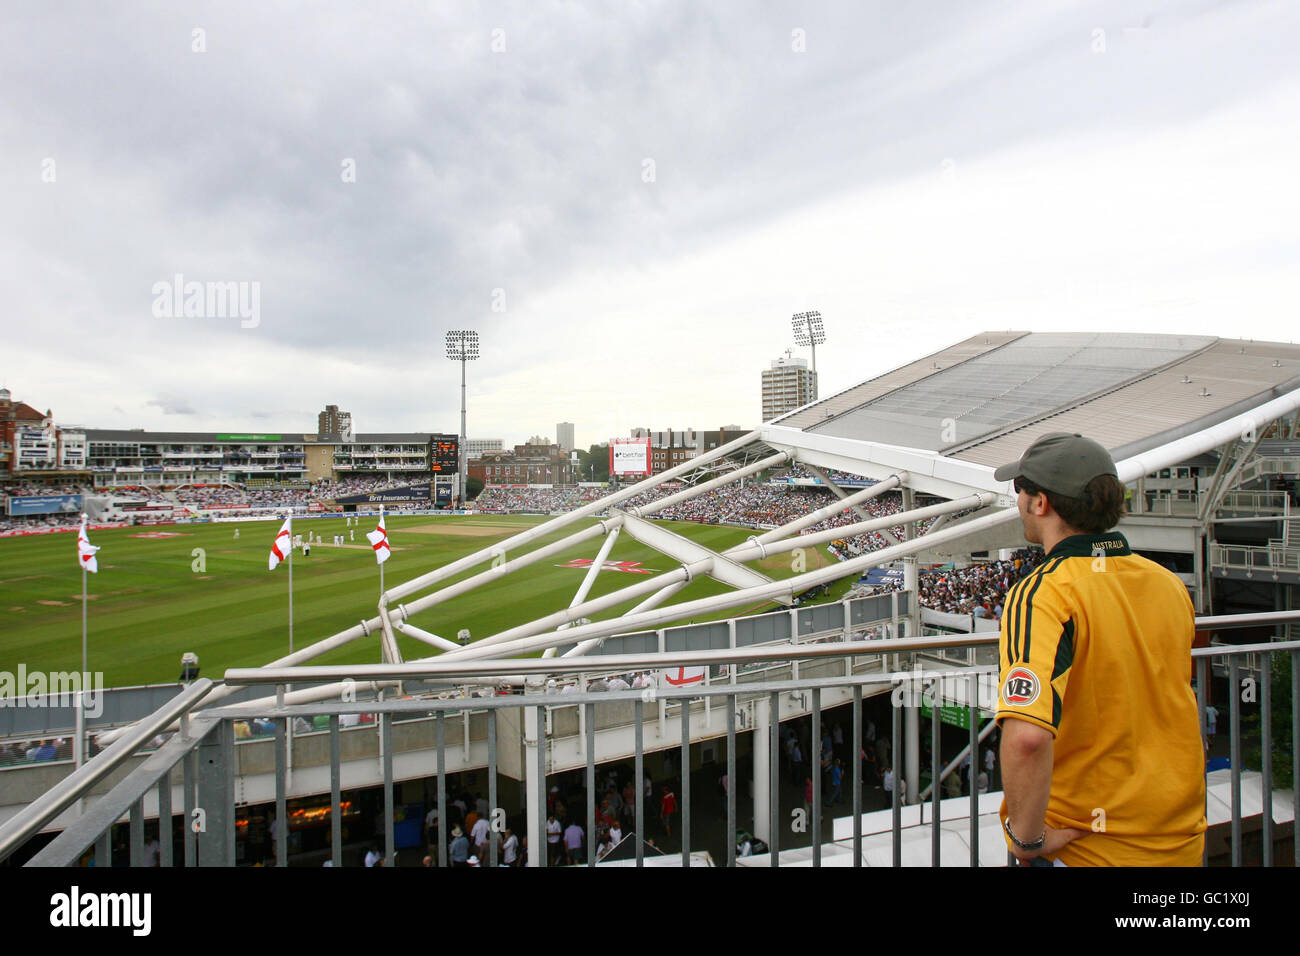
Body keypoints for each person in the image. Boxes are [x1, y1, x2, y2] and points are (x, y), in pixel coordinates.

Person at [993, 432, 1206, 866]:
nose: (1017, 501)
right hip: (1180, 838)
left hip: (1089, 847)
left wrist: (1028, 841)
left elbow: (1028, 739)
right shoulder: (1167, 583)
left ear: (1041, 502)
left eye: (1021, 490)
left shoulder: (1043, 593)